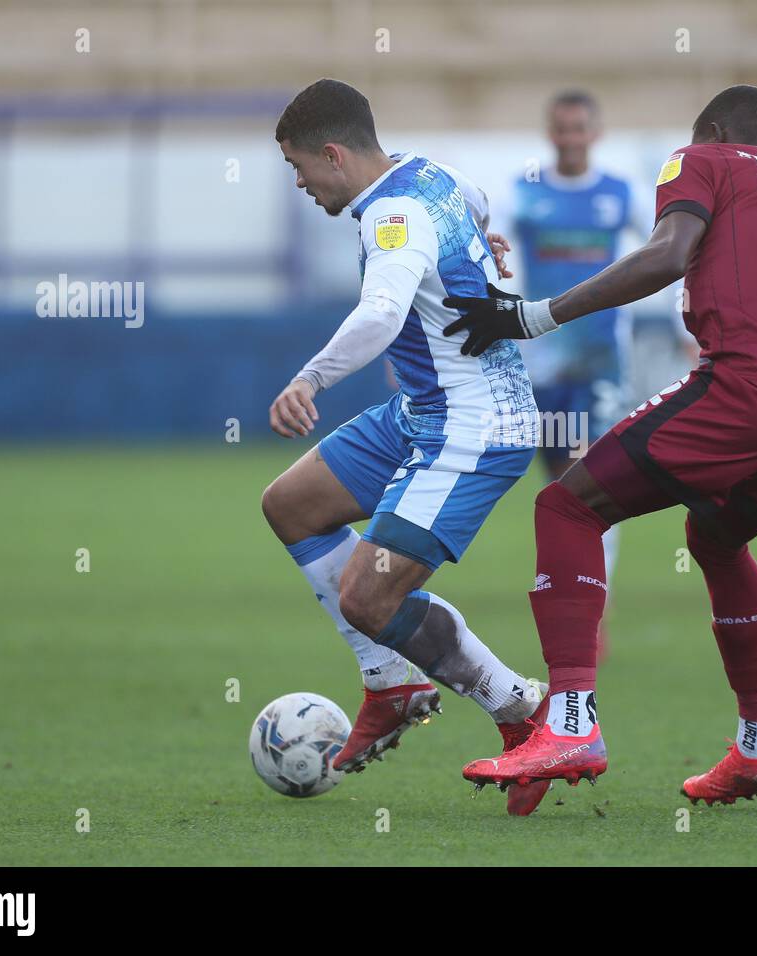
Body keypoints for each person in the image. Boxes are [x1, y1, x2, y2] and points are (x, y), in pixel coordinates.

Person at [444, 85, 757, 806]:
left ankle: (572, 721)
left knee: (567, 508)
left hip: (748, 388)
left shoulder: (704, 157)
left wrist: (534, 317)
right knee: (716, 540)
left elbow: (668, 254)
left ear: (713, 130)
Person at [260, 78, 550, 815]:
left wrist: (310, 378)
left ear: (332, 154)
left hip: (473, 427)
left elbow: (382, 312)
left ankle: (521, 708)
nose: (299, 184)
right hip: (423, 411)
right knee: (291, 505)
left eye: (299, 167)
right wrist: (481, 246)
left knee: (367, 593)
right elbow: (476, 209)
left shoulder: (390, 214)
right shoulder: (433, 174)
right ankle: (390, 680)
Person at [509, 92, 652, 660]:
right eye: (561, 129)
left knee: (589, 488)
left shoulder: (621, 196)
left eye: (579, 129)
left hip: (600, 367)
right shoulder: (521, 194)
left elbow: (677, 249)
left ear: (595, 132)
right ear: (550, 131)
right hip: (540, 369)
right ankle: (571, 598)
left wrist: (690, 323)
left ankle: (594, 613)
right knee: (557, 493)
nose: (570, 138)